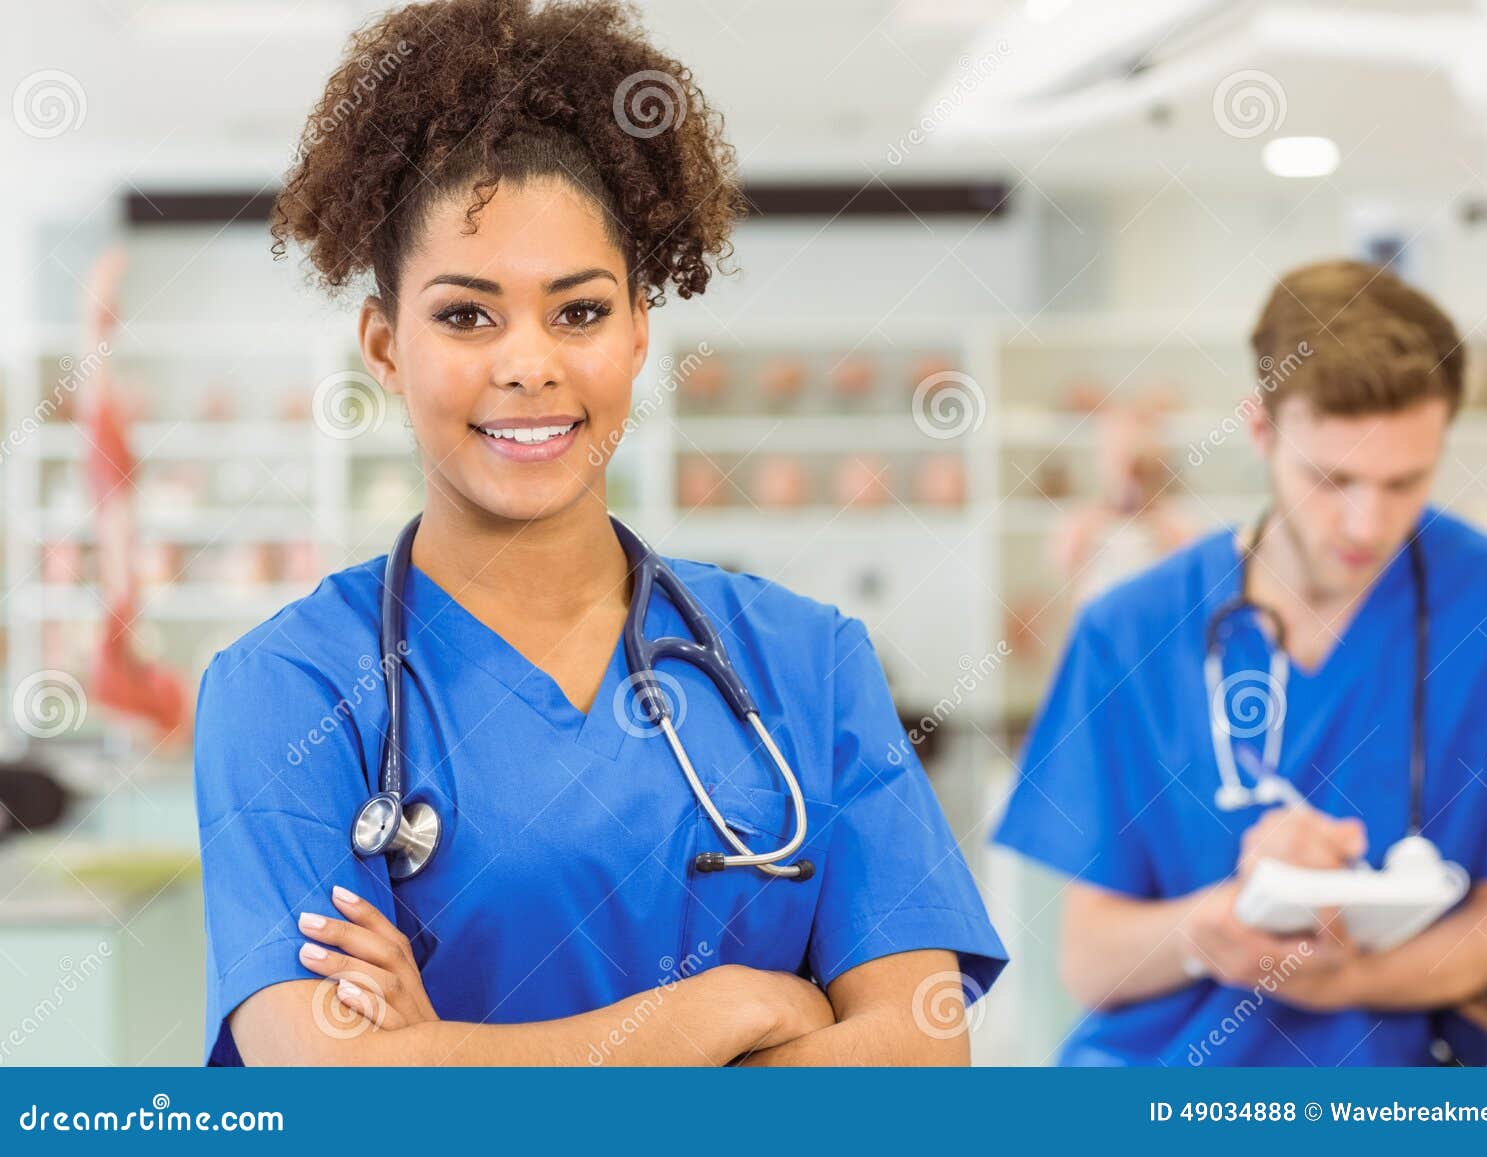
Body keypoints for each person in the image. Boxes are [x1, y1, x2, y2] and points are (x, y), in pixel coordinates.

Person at [195, 0, 1005, 1067]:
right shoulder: (290, 688)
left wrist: (447, 1054)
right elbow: (324, 1077)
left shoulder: (808, 661)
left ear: (635, 335)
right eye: (465, 314)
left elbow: (919, 1056)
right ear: (385, 348)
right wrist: (727, 1011)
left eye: (577, 311)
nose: (528, 362)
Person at [993, 258, 1487, 1066]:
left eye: (1404, 480)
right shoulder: (1130, 629)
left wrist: (1344, 983)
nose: (1366, 521)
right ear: (1260, 431)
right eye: (1331, 477)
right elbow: (1090, 959)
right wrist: (1209, 928)